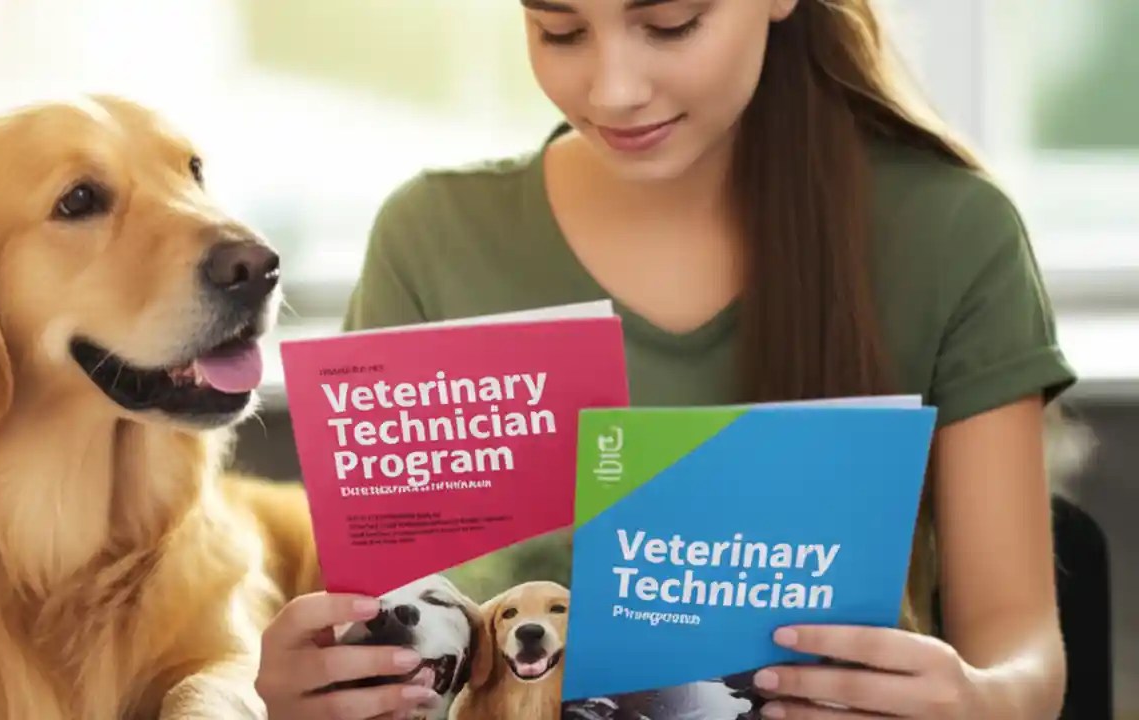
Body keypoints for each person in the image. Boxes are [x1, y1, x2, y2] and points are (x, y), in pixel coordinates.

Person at [254, 0, 1076, 718]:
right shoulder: (430, 242)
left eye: (672, 23)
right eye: (559, 30)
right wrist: (314, 695)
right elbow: (371, 646)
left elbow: (1021, 654)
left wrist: (978, 701)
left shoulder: (954, 236)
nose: (613, 90)